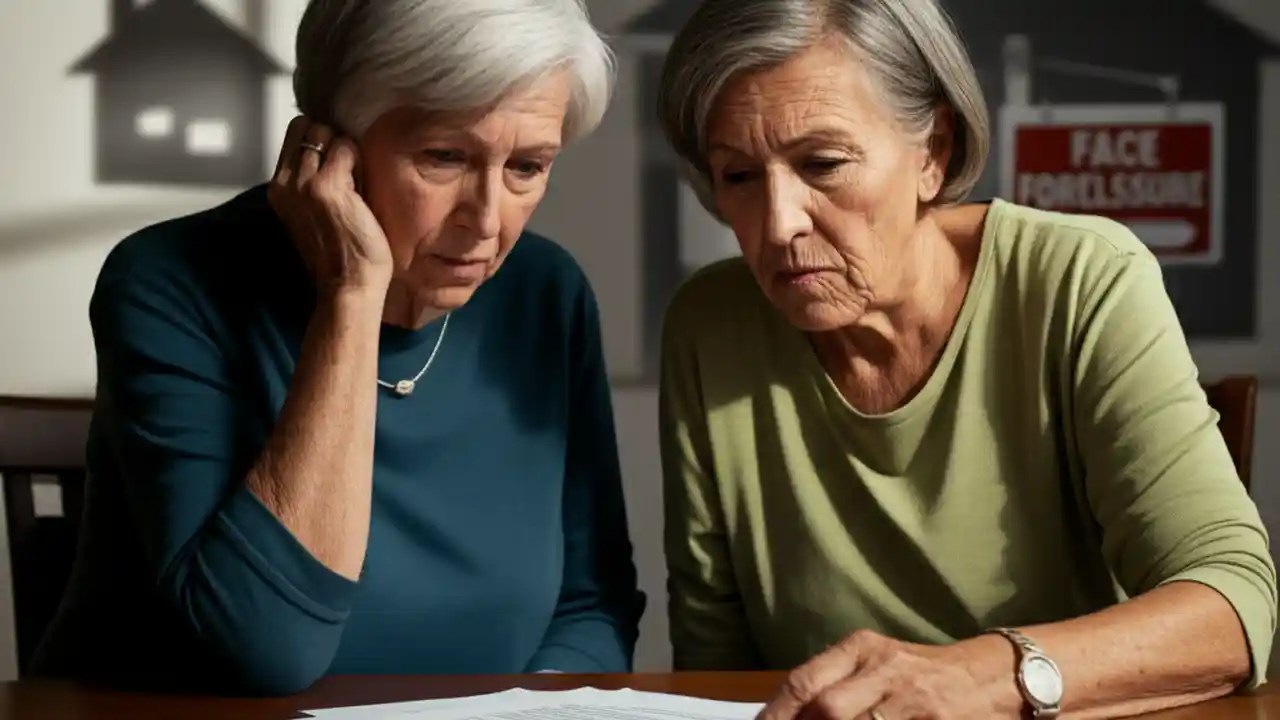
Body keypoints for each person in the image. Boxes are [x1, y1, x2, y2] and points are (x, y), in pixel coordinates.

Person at [655, 1, 1276, 718]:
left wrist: (981, 676)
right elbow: (714, 671)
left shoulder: (1081, 280)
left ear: (933, 153)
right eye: (737, 177)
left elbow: (1232, 607)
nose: (780, 221)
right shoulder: (709, 327)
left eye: (822, 164)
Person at [32, 0, 644, 695]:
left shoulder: (546, 294)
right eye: (444, 157)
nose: (486, 219)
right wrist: (351, 297)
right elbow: (266, 651)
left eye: (526, 167)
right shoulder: (168, 282)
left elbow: (592, 605)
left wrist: (533, 713)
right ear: (328, 149)